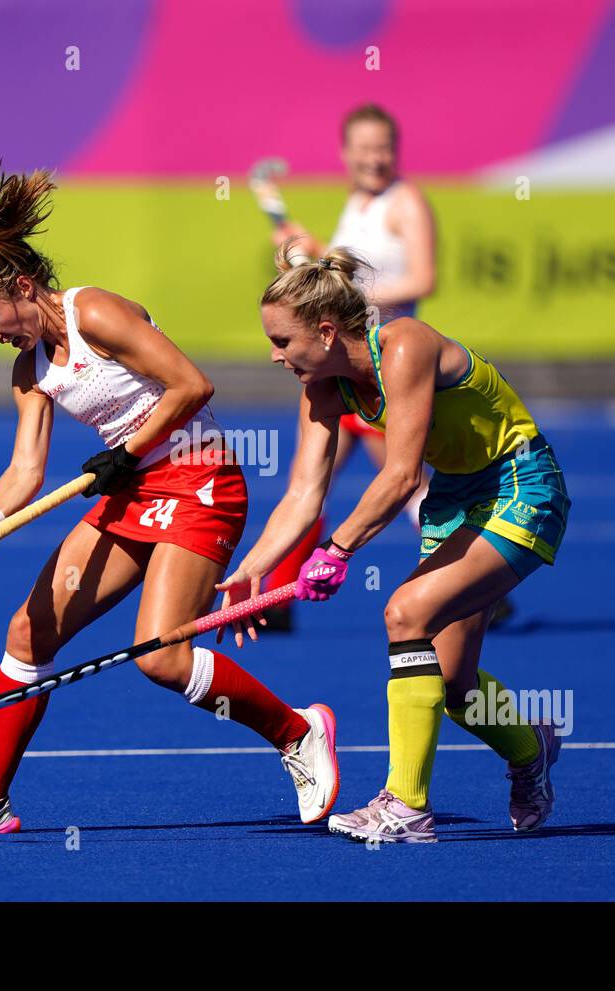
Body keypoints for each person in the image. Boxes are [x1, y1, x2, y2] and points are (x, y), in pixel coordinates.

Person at [0, 166, 339, 836]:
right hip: (132, 488)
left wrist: (128, 450)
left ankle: (298, 731)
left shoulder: (94, 313)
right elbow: (25, 468)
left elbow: (193, 384)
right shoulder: (32, 367)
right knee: (28, 631)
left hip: (199, 481)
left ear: (21, 287)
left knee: (160, 655)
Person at [218, 244, 571, 843]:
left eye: (282, 342)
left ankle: (406, 806)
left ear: (327, 333)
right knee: (456, 686)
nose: (274, 356)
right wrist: (251, 571)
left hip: (520, 485)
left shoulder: (405, 345)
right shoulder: (324, 388)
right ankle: (529, 746)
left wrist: (337, 549)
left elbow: (402, 475)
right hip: (458, 499)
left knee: (404, 612)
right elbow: (304, 493)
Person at [253, 104, 447, 630]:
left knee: (400, 480)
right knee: (315, 482)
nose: (374, 157)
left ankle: (459, 570)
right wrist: (304, 252)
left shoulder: (406, 202)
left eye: (383, 147)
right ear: (346, 153)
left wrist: (347, 295)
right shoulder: (357, 203)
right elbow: (341, 269)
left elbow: (422, 279)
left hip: (388, 363)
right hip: (344, 365)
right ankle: (275, 594)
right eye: (363, 148)